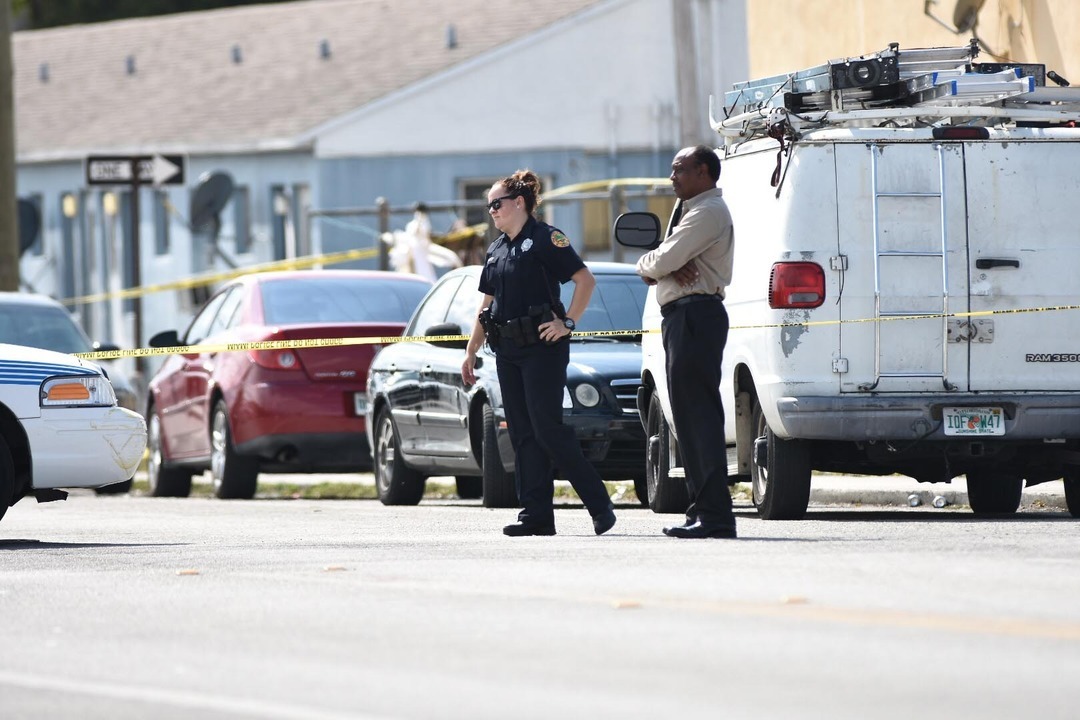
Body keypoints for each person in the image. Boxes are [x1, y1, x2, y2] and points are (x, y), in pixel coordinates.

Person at [461, 170, 616, 537]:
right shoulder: (497, 247)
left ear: (519, 203)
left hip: (542, 350)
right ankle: (536, 516)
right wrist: (471, 349)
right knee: (522, 433)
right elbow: (488, 302)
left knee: (548, 430)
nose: (492, 211)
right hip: (508, 351)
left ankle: (599, 504)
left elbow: (584, 280)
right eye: (489, 206)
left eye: (497, 204)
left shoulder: (546, 238)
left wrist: (568, 323)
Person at [636, 145, 738, 539]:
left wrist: (657, 266)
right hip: (684, 317)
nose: (672, 177)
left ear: (703, 172)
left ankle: (715, 515)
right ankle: (703, 509)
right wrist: (662, 265)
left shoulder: (707, 212)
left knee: (698, 418)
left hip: (696, 316)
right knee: (690, 419)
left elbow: (659, 262)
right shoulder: (692, 212)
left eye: (679, 170)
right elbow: (664, 263)